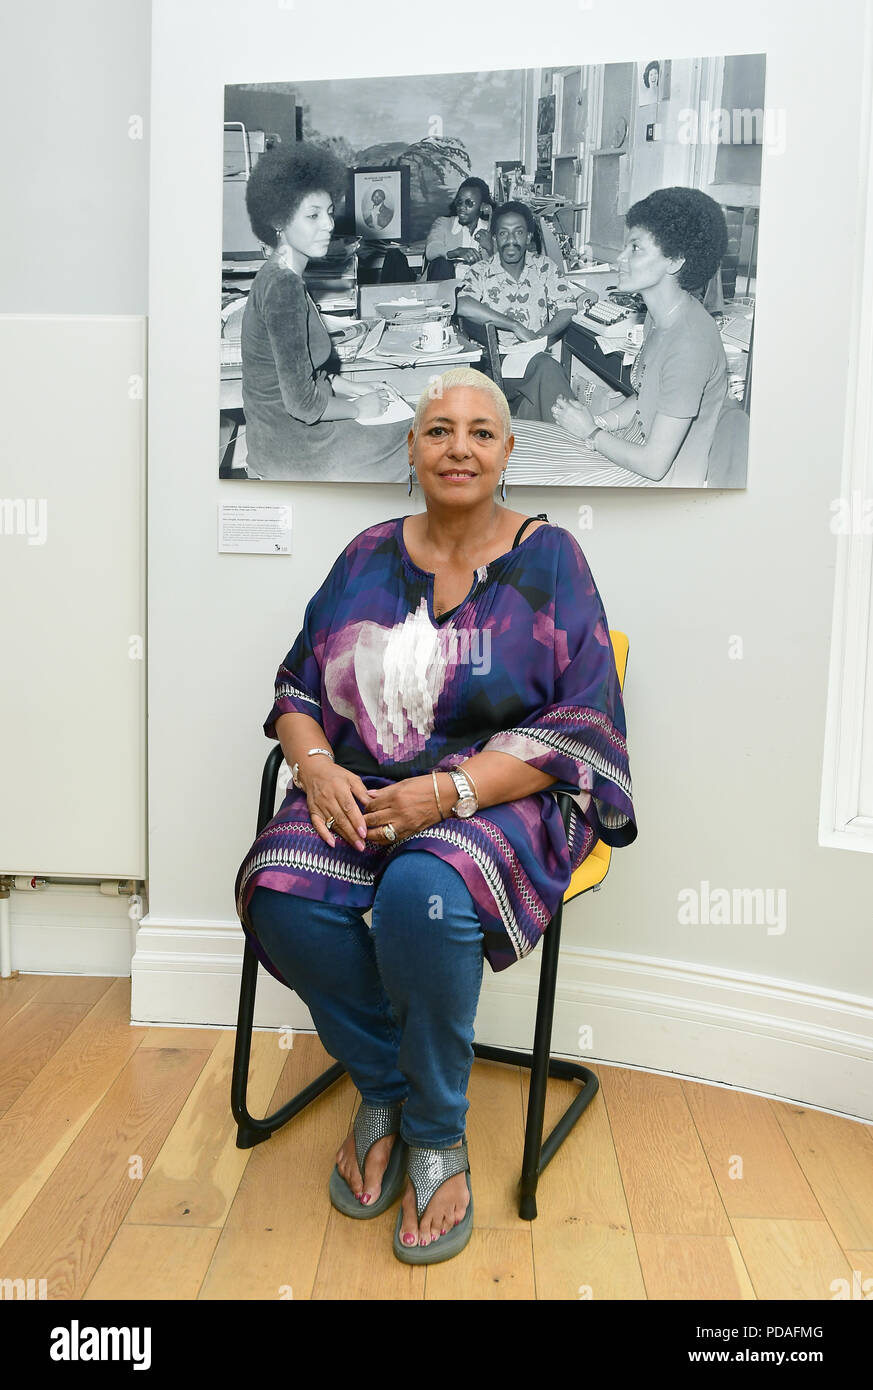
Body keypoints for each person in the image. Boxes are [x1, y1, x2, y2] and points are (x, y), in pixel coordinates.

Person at [234, 367, 636, 1265]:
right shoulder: (366, 549)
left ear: (507, 450)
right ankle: (385, 1084)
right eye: (438, 430)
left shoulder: (553, 558)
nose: (459, 447)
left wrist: (447, 793)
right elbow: (298, 682)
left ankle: (438, 1131)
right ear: (410, 447)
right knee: (281, 894)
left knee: (423, 889)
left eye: (480, 432)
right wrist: (316, 764)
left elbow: (584, 721)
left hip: (501, 796)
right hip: (363, 785)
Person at [241, 144, 411, 481]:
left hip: (281, 441)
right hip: (299, 450)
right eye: (313, 215)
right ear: (279, 219)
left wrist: (352, 386)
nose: (329, 224)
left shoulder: (278, 274)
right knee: (421, 436)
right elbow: (302, 404)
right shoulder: (284, 288)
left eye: (330, 212)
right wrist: (358, 407)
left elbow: (301, 373)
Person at [552, 187, 730, 486]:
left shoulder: (690, 342)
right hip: (637, 452)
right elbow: (646, 397)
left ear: (675, 261)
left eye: (635, 248)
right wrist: (600, 421)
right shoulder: (659, 317)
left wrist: (591, 433)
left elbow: (654, 465)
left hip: (661, 486)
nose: (620, 258)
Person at [457, 200, 591, 422]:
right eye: (503, 234)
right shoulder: (480, 271)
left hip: (535, 360)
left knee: (545, 374)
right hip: (497, 370)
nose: (511, 241)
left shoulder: (545, 267)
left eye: (518, 233)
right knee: (548, 368)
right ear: (494, 239)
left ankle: (559, 442)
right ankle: (582, 436)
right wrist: (514, 326)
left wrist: (538, 338)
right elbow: (463, 304)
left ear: (528, 237)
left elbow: (567, 308)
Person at [423, 177, 494, 282]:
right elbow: (431, 250)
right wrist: (456, 252)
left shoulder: (491, 230)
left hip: (476, 291)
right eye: (460, 202)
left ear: (484, 207)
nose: (461, 207)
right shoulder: (444, 223)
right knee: (441, 263)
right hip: (443, 289)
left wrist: (490, 249)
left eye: (469, 203)